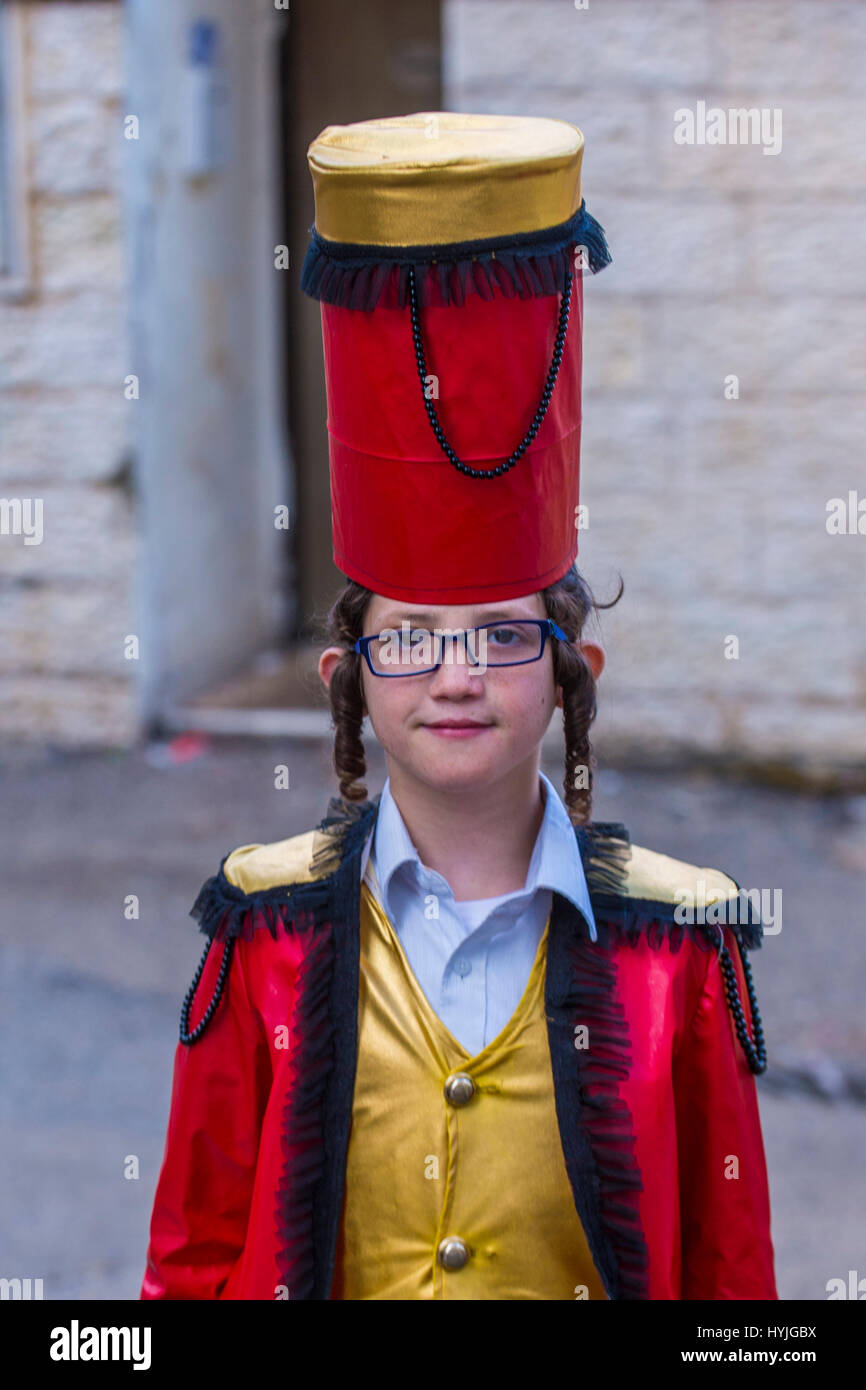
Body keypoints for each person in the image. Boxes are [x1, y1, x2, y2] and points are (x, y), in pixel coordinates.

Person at [140, 113, 777, 1300]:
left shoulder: (679, 949)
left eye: (499, 634)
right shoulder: (262, 933)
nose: (454, 673)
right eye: (410, 642)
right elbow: (188, 1263)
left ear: (567, 673)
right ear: (346, 683)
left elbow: (734, 1294)